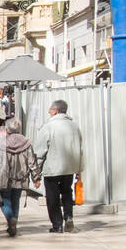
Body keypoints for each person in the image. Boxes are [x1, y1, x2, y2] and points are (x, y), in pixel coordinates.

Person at [32, 98, 84, 233]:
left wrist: (36, 172)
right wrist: (79, 170)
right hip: (69, 168)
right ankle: (68, 216)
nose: (49, 112)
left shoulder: (48, 127)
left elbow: (40, 151)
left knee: (52, 197)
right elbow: (80, 149)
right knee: (67, 192)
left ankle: (57, 224)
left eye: (50, 110)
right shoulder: (74, 126)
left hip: (52, 169)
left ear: (55, 111)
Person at [0, 119, 39, 237]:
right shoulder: (26, 143)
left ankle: (11, 220)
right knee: (16, 200)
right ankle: (13, 223)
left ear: (7, 130)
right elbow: (32, 161)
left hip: (4, 177)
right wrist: (36, 177)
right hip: (21, 177)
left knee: (4, 201)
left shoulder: (1, 143)